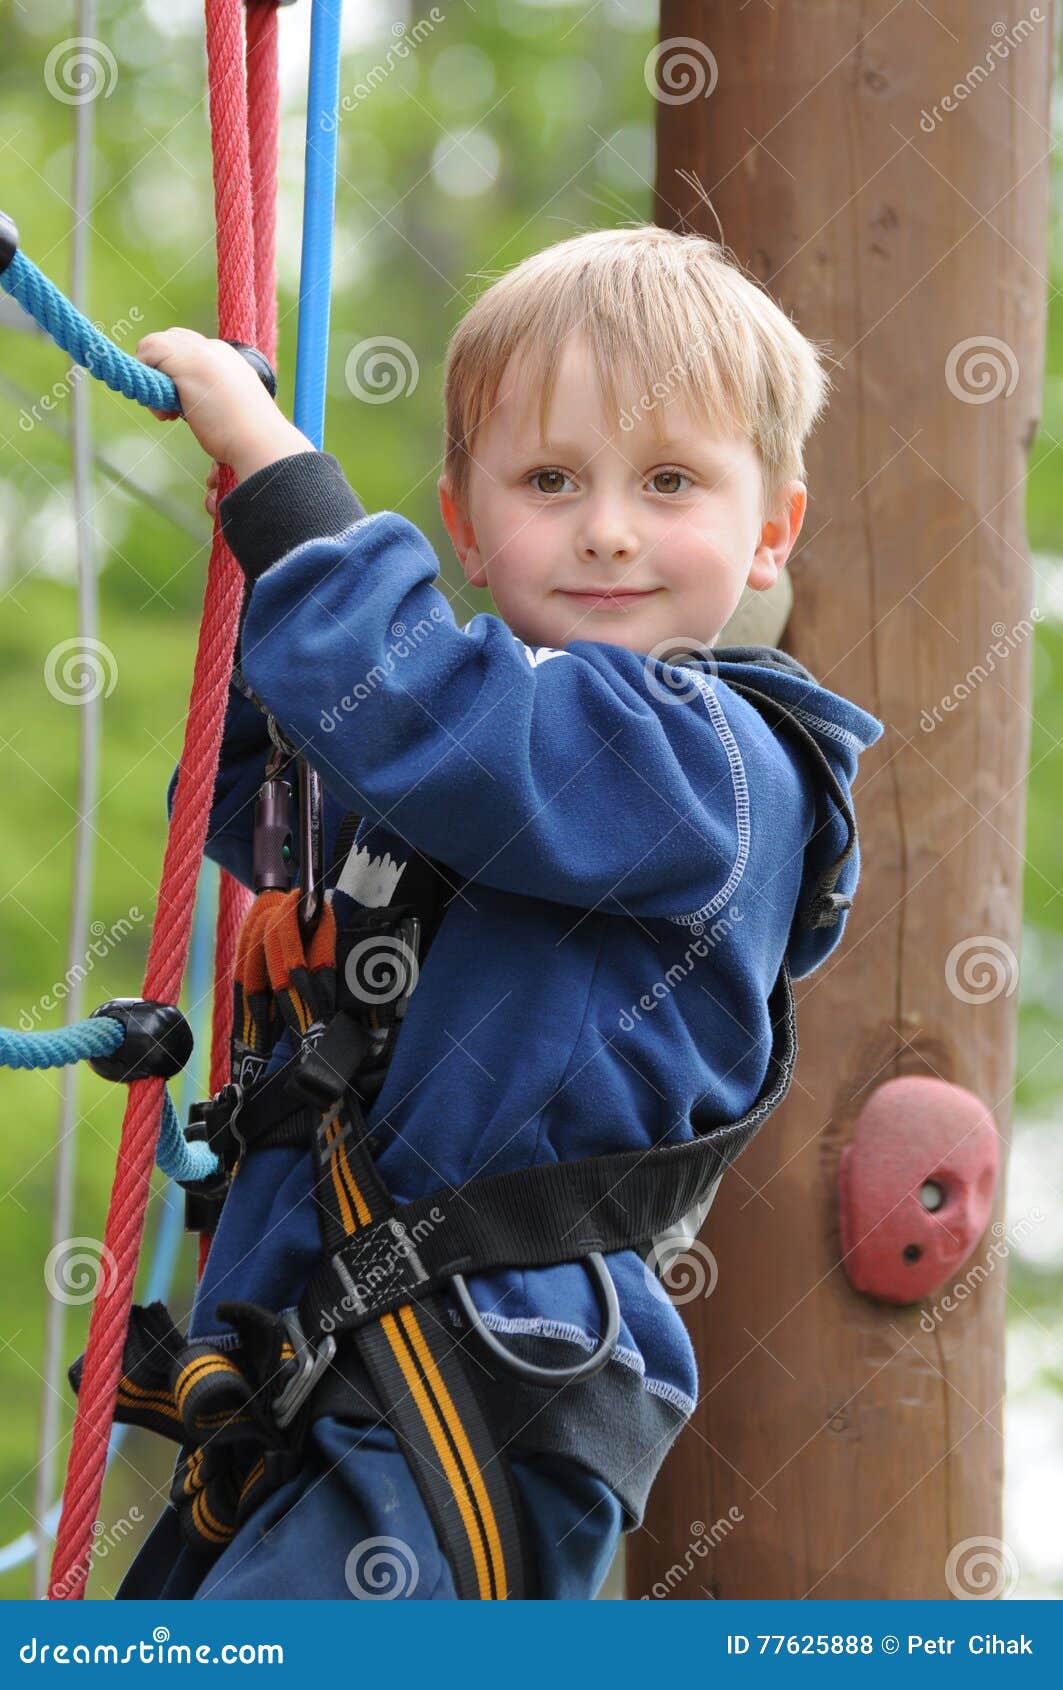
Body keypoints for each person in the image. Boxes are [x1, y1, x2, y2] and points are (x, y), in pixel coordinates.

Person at [117, 225, 883, 1601]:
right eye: (549, 479)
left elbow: (436, 723)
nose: (605, 525)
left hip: (474, 1381)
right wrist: (271, 597)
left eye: (669, 482)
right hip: (323, 1374)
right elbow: (258, 814)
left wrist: (293, 497)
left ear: (772, 528)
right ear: (464, 524)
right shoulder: (484, 747)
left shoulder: (712, 767)